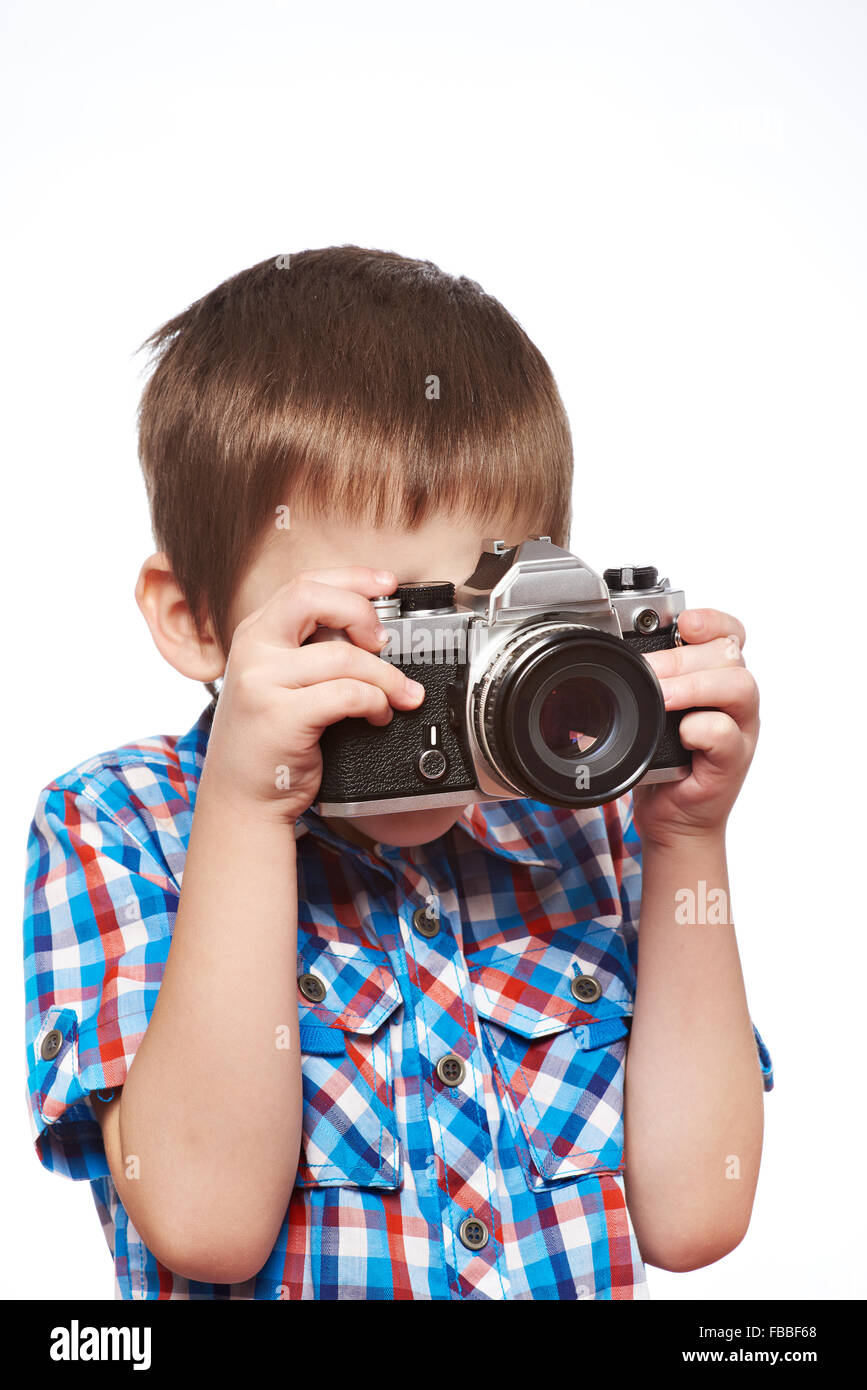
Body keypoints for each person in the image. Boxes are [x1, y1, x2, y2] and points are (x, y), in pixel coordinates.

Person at [23, 246, 773, 1300]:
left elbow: (697, 1214)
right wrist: (245, 808)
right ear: (194, 618)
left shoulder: (589, 828)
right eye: (383, 630)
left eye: (483, 626)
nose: (430, 693)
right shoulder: (120, 823)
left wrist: (689, 837)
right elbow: (203, 1217)